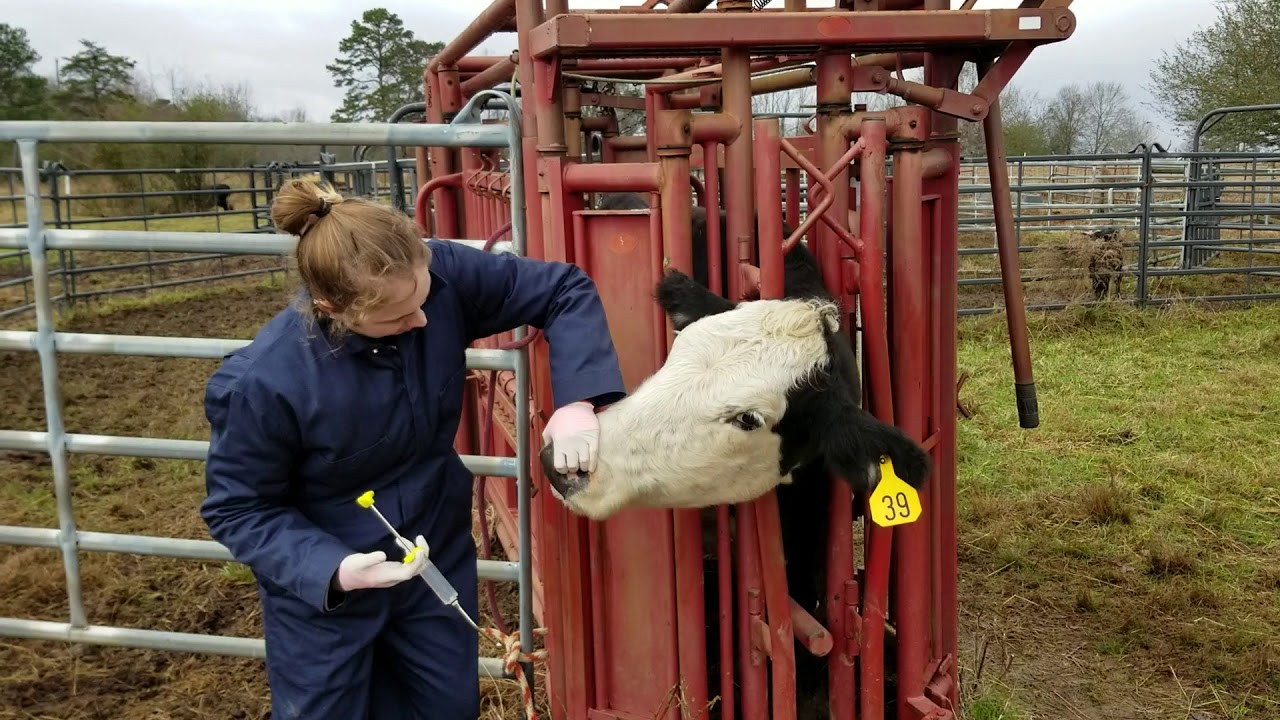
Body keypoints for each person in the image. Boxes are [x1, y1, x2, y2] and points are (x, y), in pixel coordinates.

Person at [199, 179, 627, 720]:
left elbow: (562, 289)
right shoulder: (265, 384)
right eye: (399, 318)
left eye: (423, 298)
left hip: (431, 554)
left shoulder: (437, 277)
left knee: (445, 707)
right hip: (327, 585)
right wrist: (333, 569)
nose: (422, 320)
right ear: (333, 307)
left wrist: (578, 402)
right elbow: (238, 508)